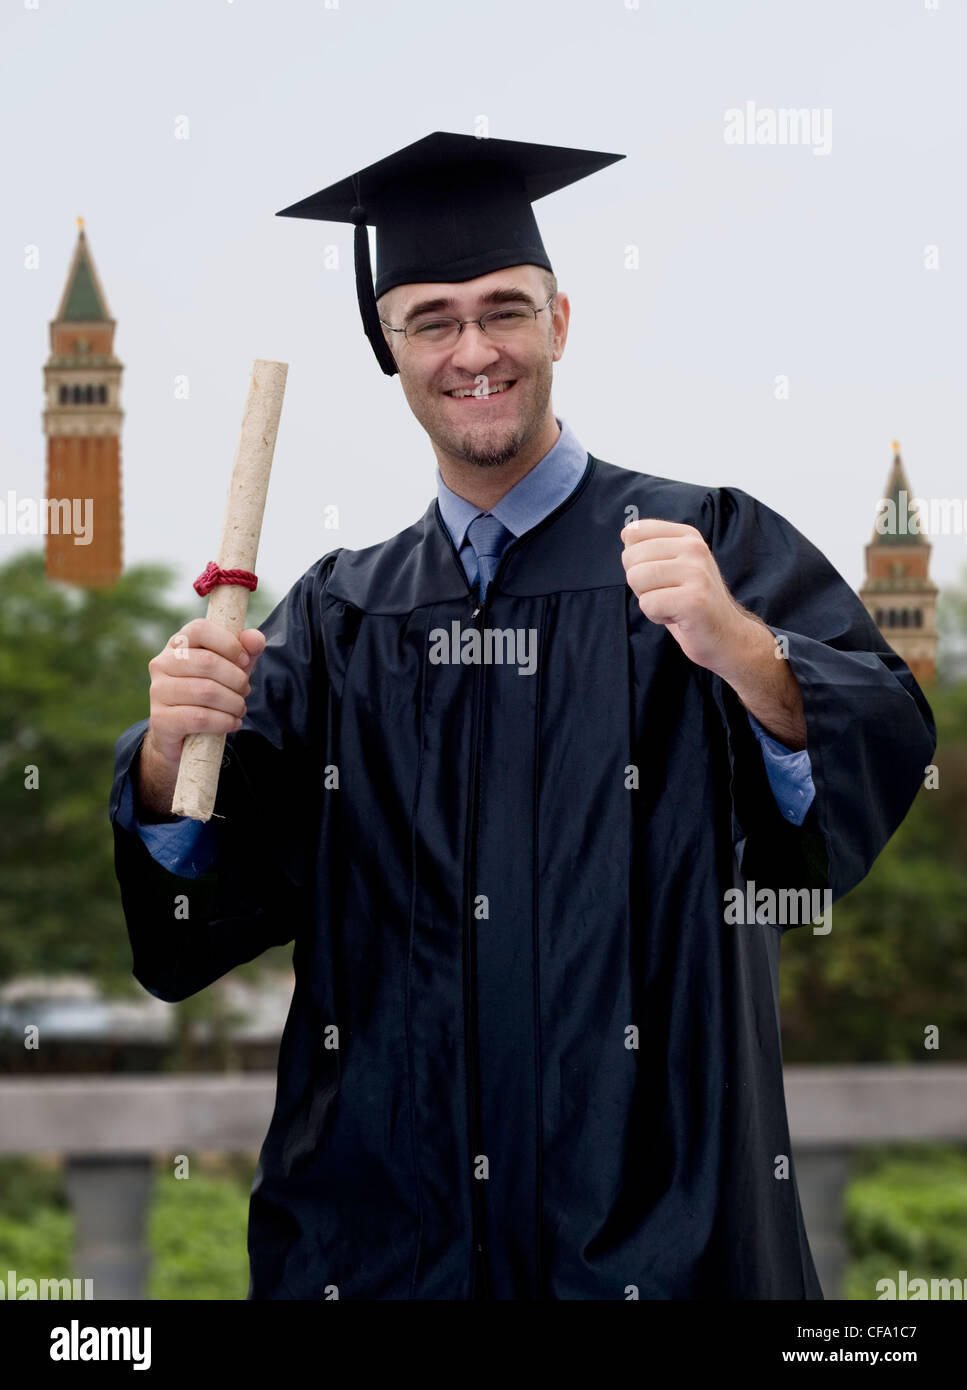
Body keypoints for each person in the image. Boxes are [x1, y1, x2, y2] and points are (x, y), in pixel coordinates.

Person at [110, 131, 935, 1300]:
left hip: (661, 1236)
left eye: (505, 308)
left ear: (560, 322)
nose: (474, 349)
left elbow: (865, 768)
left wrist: (746, 652)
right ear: (388, 348)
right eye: (431, 320)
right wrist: (160, 760)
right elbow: (198, 920)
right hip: (389, 1245)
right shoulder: (340, 620)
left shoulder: (709, 545)